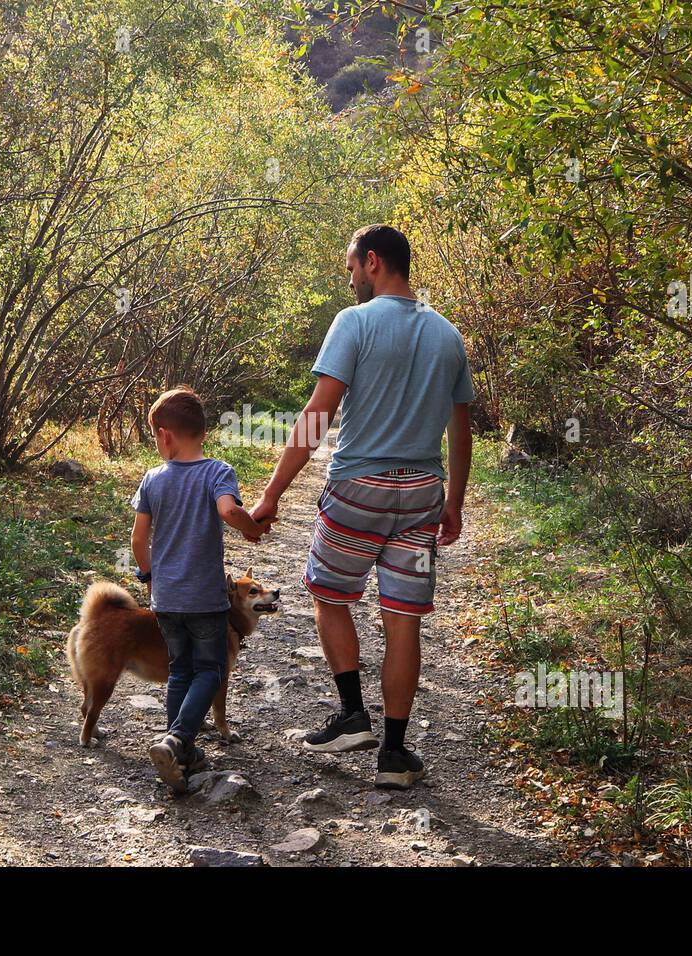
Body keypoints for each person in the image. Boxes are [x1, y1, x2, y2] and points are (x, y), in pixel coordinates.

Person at [250, 224, 474, 789]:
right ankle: (395, 754)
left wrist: (272, 495)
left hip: (358, 489)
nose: (350, 278)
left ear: (373, 262)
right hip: (422, 494)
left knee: (329, 595)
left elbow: (318, 414)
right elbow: (461, 429)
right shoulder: (448, 336)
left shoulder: (354, 323)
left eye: (351, 267)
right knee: (404, 622)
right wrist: (455, 502)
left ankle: (353, 715)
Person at [130, 386, 272, 792]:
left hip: (167, 598)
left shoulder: (152, 479)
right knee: (211, 669)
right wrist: (254, 529)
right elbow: (228, 511)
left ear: (164, 434)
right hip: (207, 598)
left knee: (180, 671)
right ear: (202, 432)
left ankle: (180, 750)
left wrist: (148, 576)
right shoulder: (218, 471)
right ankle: (176, 741)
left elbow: (139, 541)